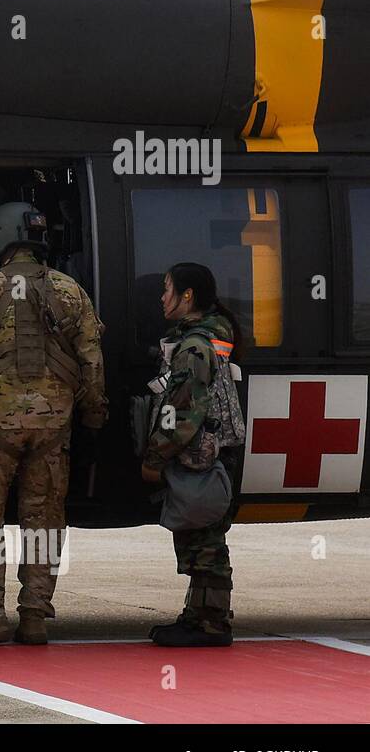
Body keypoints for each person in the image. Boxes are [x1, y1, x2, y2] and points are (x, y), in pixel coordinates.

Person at [0, 202, 107, 645]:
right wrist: (92, 414)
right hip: (55, 429)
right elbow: (92, 362)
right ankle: (34, 617)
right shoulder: (71, 291)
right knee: (45, 520)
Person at [141, 263, 242, 647]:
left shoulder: (193, 346)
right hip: (206, 453)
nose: (162, 298)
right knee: (201, 535)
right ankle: (200, 616)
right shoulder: (204, 339)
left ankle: (211, 623)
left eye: (168, 290)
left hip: (197, 455)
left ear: (187, 296)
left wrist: (156, 457)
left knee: (204, 540)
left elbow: (183, 410)